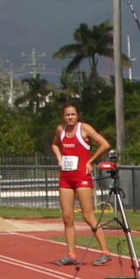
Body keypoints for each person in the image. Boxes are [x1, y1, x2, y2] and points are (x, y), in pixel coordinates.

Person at [51, 102, 114, 266]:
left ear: (77, 115)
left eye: (73, 114)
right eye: (67, 115)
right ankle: (71, 254)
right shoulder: (61, 130)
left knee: (88, 216)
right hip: (66, 177)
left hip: (82, 177)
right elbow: (54, 144)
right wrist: (59, 157)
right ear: (63, 116)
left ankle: (105, 252)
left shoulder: (84, 128)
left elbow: (105, 144)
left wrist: (91, 160)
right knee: (67, 217)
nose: (70, 117)